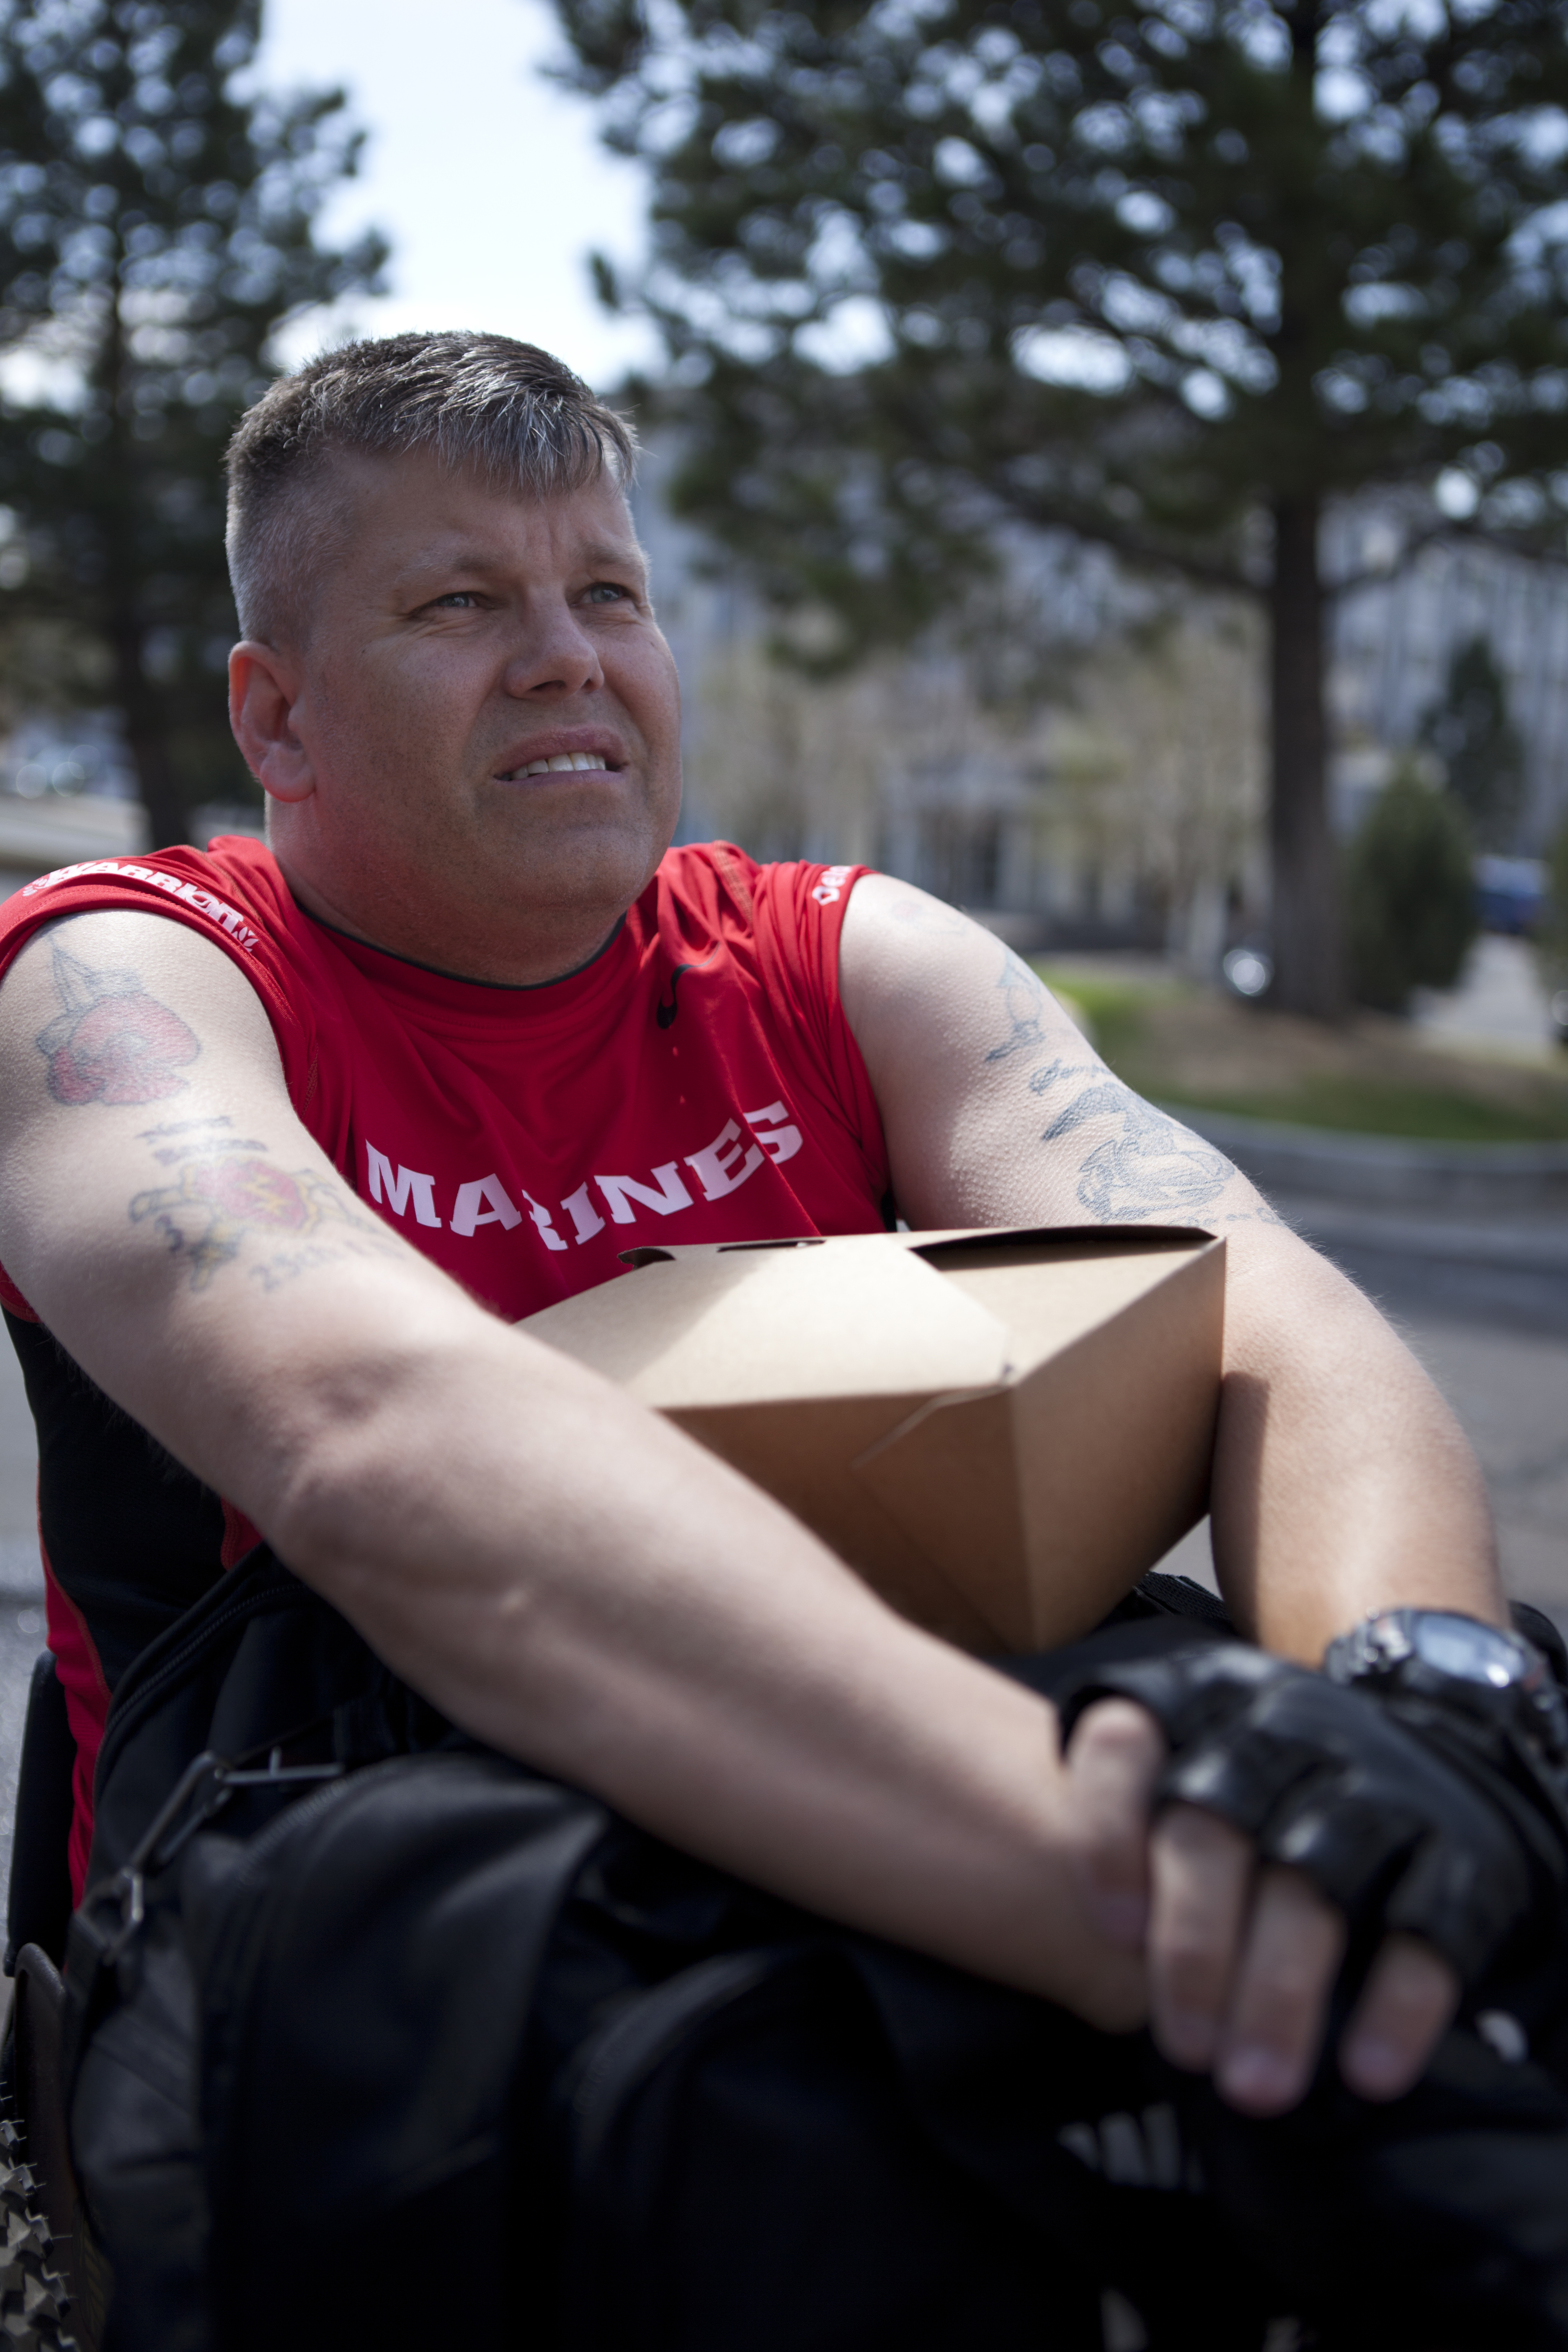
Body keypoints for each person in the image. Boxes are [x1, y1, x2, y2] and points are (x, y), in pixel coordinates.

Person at [0, 335, 1513, 2159]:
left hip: (845, 1907)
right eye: (460, 599)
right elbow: (369, 1414)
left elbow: (1253, 1304)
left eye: (610, 590)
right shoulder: (117, 980)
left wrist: (1414, 1737)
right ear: (274, 717)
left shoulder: (840, 960)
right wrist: (1105, 1880)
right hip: (315, 2008)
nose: (568, 653)